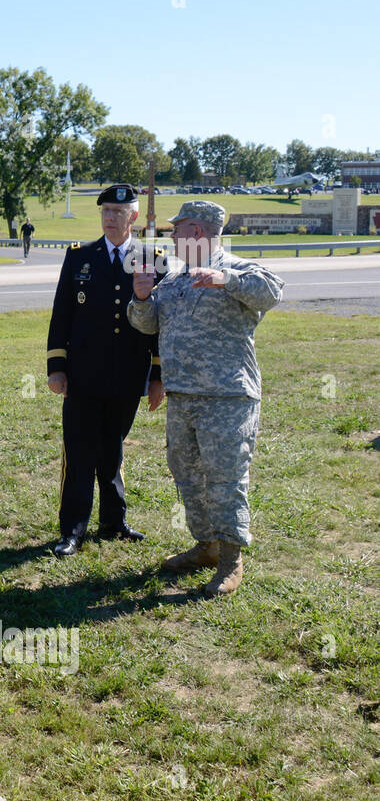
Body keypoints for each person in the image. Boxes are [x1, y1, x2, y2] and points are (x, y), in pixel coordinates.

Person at [127, 200, 284, 595]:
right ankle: (206, 546)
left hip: (227, 397)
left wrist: (225, 280)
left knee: (225, 478)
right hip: (183, 397)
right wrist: (142, 298)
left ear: (197, 231)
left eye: (177, 229)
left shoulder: (239, 268)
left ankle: (232, 561)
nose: (172, 235)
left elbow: (272, 293)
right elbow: (147, 325)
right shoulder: (175, 277)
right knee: (188, 476)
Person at [46, 183, 165, 557]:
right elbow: (62, 314)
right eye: (105, 213)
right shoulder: (80, 256)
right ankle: (72, 531)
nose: (110, 218)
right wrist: (56, 367)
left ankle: (114, 522)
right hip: (83, 375)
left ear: (133, 217)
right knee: (80, 451)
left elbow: (162, 323)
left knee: (112, 449)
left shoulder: (153, 258)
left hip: (128, 375)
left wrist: (158, 377)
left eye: (118, 213)